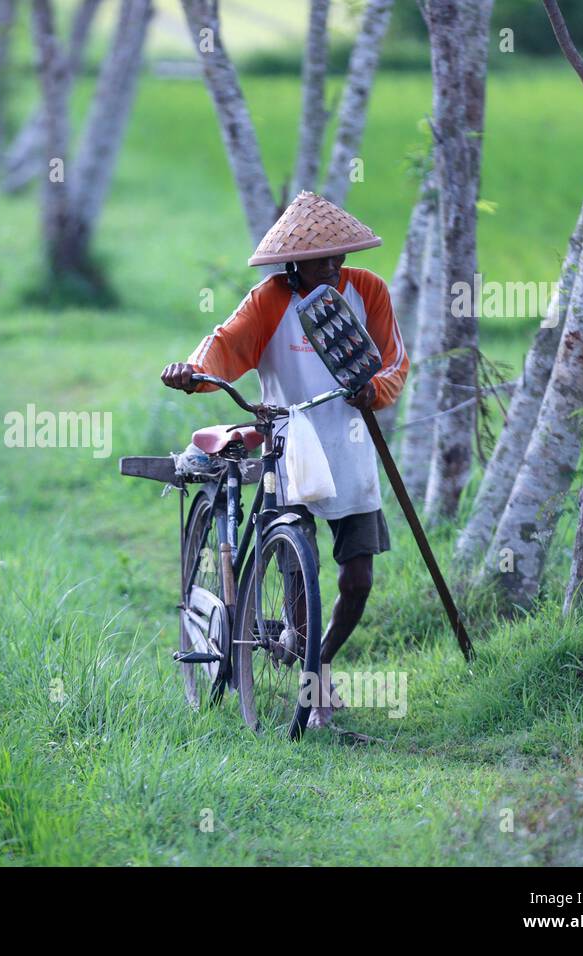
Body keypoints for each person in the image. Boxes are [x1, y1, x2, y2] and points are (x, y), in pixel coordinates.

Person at [160, 191, 409, 729]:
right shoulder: (270, 300)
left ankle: (320, 660)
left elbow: (394, 362)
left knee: (358, 578)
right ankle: (312, 681)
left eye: (341, 256)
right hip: (289, 442)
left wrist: (377, 389)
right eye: (323, 259)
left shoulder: (368, 291)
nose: (335, 267)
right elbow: (223, 345)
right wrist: (193, 369)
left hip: (351, 444)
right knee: (299, 571)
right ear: (293, 263)